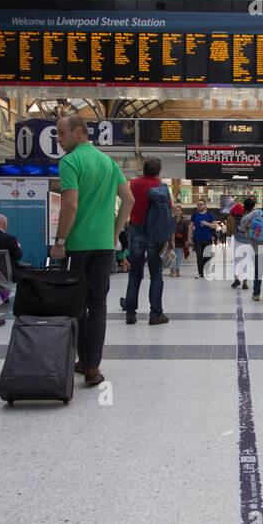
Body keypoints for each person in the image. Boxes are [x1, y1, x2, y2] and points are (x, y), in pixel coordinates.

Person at [49, 113, 133, 387]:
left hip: (78, 247)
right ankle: (92, 367)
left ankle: (76, 360)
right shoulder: (108, 162)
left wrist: (60, 241)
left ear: (78, 132)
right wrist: (115, 232)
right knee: (98, 304)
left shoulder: (70, 161)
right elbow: (128, 199)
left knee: (76, 304)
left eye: (61, 133)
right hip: (103, 246)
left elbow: (70, 205)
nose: (58, 140)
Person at [123, 157, 170, 325]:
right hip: (155, 233)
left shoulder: (134, 184)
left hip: (136, 230)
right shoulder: (161, 187)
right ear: (159, 171)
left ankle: (130, 312)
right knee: (156, 274)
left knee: (135, 274)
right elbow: (167, 213)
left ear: (144, 169)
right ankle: (155, 313)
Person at [190, 200, 220, 278]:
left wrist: (206, 223)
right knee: (199, 256)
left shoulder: (210, 215)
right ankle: (201, 272)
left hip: (207, 239)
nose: (199, 206)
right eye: (198, 205)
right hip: (197, 239)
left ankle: (206, 270)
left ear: (205, 206)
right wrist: (189, 238)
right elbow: (190, 227)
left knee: (207, 256)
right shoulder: (194, 215)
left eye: (201, 204)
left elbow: (214, 225)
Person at [230, 197, 254, 289]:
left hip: (238, 238)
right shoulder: (254, 214)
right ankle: (245, 283)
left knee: (236, 260)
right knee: (246, 261)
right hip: (248, 240)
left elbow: (231, 214)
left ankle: (236, 278)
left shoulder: (238, 208)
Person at [171, 203, 188, 277]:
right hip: (171, 241)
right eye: (175, 210)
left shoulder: (184, 221)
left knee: (179, 257)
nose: (177, 211)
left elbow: (186, 232)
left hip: (180, 242)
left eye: (178, 210)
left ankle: (178, 271)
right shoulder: (171, 220)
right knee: (171, 257)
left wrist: (186, 240)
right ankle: (172, 270)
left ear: (181, 212)